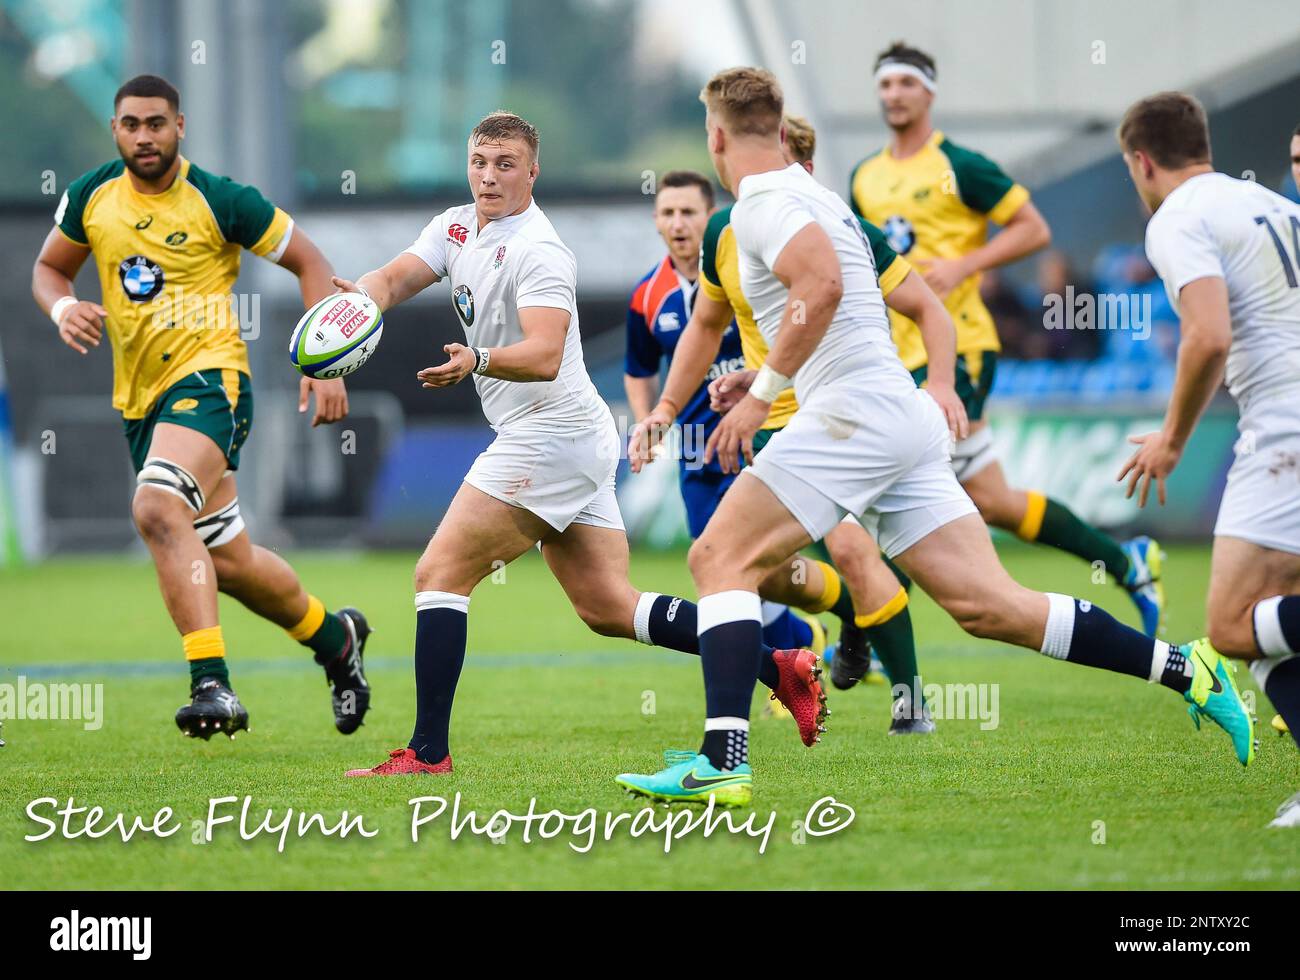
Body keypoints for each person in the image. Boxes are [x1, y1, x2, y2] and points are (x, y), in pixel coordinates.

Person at [616, 68, 1252, 806]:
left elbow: (819, 290)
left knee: (715, 556)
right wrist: (671, 407)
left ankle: (722, 759)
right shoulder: (821, 201)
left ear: (716, 137)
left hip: (851, 418)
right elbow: (722, 320)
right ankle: (1186, 668)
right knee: (992, 607)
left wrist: (759, 398)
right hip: (897, 414)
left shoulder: (763, 205)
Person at [339, 111, 828, 778]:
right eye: (480, 160)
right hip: (574, 434)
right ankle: (778, 665)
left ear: (532, 172)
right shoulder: (456, 226)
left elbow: (542, 354)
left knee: (439, 574)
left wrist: (476, 360)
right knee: (607, 607)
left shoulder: (539, 250)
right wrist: (353, 308)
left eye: (505, 163)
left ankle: (428, 753)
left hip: (549, 435)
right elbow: (394, 279)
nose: (489, 174)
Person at [30, 74, 371, 741]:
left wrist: (326, 361)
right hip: (140, 404)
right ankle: (338, 641)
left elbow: (309, 260)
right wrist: (65, 306)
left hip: (212, 384)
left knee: (156, 506)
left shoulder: (221, 200)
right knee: (230, 563)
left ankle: (210, 682)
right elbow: (48, 270)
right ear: (115, 129)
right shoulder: (90, 196)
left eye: (157, 123)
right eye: (131, 124)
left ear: (179, 127)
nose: (144, 136)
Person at [850, 42, 1166, 636]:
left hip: (958, 351)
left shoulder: (962, 165)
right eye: (885, 85)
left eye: (906, 84)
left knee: (894, 480)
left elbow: (1034, 229)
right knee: (992, 500)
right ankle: (1127, 561)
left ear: (929, 92)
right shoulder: (864, 176)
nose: (894, 95)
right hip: (895, 356)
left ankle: (864, 643)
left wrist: (967, 263)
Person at [1117, 92, 1299, 827]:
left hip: (1283, 431)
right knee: (1271, 630)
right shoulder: (1274, 205)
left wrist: (1171, 439)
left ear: (1142, 161)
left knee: (1229, 625)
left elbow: (1208, 337)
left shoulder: (1179, 218)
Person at [623, 169, 817, 656]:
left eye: (688, 212)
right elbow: (638, 366)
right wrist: (648, 419)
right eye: (667, 213)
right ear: (656, 221)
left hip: (756, 435)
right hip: (695, 448)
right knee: (720, 562)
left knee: (753, 561)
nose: (678, 223)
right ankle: (803, 645)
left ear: (710, 218)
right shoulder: (648, 295)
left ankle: (797, 657)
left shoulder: (746, 272)